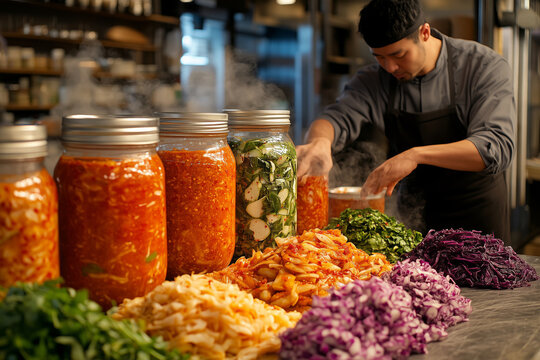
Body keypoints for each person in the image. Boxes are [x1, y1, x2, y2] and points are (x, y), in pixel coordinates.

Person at [297, 0, 515, 244]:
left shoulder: (482, 66)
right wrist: (319, 142)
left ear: (424, 32)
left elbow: (495, 148)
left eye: (398, 55)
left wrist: (415, 155)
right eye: (379, 57)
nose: (390, 67)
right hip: (413, 224)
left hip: (478, 220)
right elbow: (335, 117)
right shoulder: (374, 80)